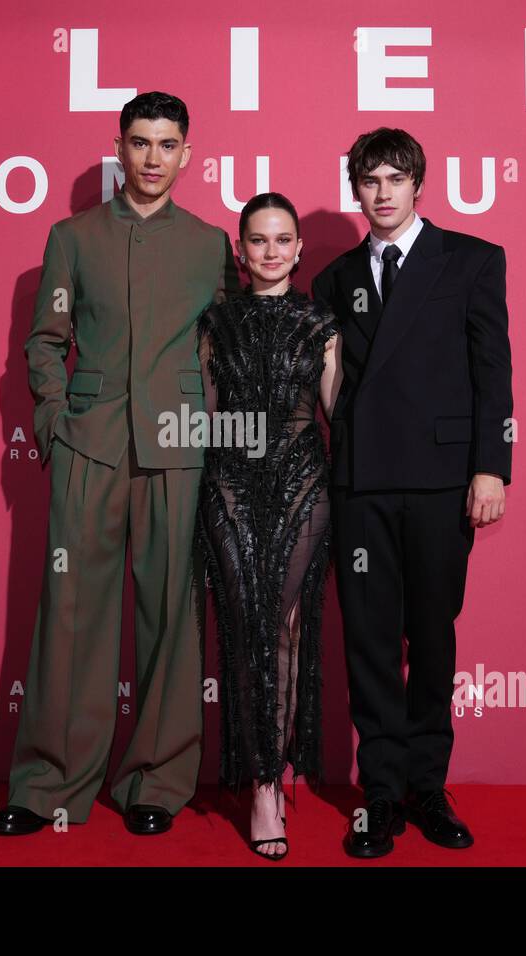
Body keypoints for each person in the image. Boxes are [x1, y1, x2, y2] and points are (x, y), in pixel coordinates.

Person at [0, 92, 237, 837]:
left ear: (187, 155)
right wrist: (55, 423)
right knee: (69, 618)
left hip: (179, 448)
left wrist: (213, 427)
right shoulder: (71, 235)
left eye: (167, 144)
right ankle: (46, 787)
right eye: (140, 142)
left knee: (173, 618)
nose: (153, 158)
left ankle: (157, 781)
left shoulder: (211, 243)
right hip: (89, 447)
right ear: (119, 149)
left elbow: (219, 347)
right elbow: (44, 342)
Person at [311, 128, 513, 859]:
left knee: (431, 635)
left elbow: (495, 371)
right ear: (356, 189)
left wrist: (492, 466)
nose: (384, 192)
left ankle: (429, 784)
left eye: (397, 178)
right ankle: (382, 794)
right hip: (362, 478)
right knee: (367, 640)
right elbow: (333, 386)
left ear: (419, 184)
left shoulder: (470, 260)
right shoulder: (334, 279)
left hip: (439, 479)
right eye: (371, 181)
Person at [196, 193, 341, 859]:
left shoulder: (322, 323)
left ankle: (270, 782)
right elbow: (209, 418)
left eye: (283, 239)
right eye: (259, 240)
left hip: (304, 488)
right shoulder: (215, 324)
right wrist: (230, 474)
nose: (272, 251)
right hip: (229, 487)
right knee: (246, 626)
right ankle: (258, 780)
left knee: (284, 631)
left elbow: (336, 416)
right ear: (241, 248)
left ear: (299, 249)